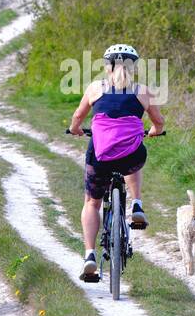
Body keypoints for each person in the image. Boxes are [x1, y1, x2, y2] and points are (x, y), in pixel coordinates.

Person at [68, 42, 164, 281]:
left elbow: (78, 117)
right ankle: (137, 204)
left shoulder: (94, 88)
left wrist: (75, 129)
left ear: (106, 66)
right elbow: (159, 122)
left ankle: (90, 254)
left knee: (91, 203)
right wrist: (153, 130)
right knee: (132, 151)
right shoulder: (142, 91)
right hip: (131, 156)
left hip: (100, 156)